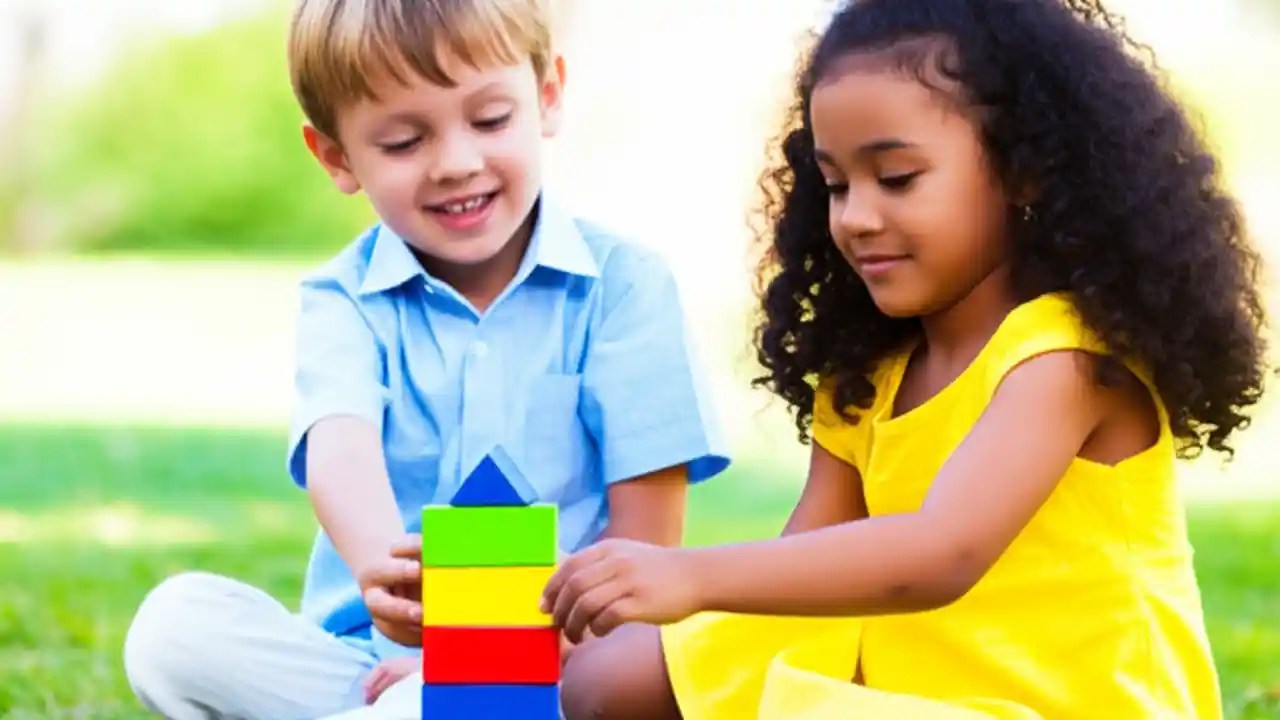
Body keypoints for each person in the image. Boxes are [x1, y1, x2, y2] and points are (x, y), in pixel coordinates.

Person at [544, 0, 1270, 718]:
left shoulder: (1065, 360)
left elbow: (940, 554)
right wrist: (646, 624)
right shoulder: (869, 373)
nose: (856, 216)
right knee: (609, 679)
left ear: (1025, 172)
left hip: (1059, 705)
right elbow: (809, 560)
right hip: (910, 689)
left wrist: (690, 576)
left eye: (896, 178)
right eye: (835, 185)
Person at [121, 0, 729, 717]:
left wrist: (481, 657)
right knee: (174, 628)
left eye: (491, 121)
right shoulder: (341, 299)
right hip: (375, 668)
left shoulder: (626, 284)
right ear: (336, 156)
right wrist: (406, 607)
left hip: (556, 666)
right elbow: (339, 450)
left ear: (547, 97)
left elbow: (646, 541)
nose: (456, 163)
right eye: (405, 142)